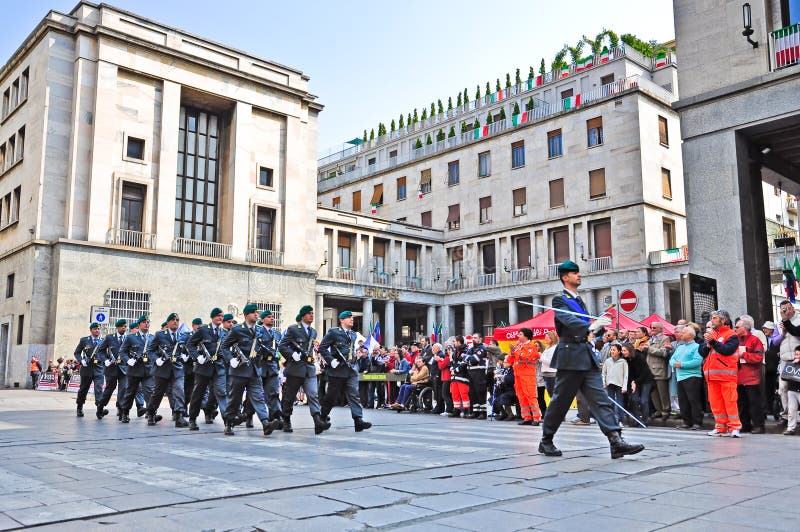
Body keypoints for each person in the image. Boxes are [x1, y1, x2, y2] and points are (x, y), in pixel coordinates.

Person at [539, 260, 644, 459]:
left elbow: (588, 326)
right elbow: (569, 320)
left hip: (585, 355)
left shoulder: (580, 301)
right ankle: (546, 440)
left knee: (601, 400)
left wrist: (600, 325)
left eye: (578, 273)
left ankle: (616, 441)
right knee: (560, 402)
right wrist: (590, 326)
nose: (579, 276)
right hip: (570, 355)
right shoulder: (559, 300)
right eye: (574, 273)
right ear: (565, 277)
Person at [219, 304, 282, 437]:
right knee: (234, 400)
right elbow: (224, 347)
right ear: (246, 315)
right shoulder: (237, 330)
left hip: (254, 370)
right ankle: (229, 424)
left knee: (258, 397)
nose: (256, 314)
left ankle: (265, 423)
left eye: (256, 312)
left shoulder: (259, 330)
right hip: (239, 371)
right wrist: (231, 360)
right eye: (253, 313)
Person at [278, 305, 330, 434]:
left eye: (312, 313)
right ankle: (286, 420)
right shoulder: (293, 329)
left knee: (313, 395)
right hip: (295, 369)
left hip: (309, 368)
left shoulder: (313, 331)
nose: (312, 315)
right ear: (302, 316)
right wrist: (292, 354)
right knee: (289, 397)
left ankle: (317, 421)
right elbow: (282, 345)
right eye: (309, 313)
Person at [319, 311, 372, 432]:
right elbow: (322, 347)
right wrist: (331, 360)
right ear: (341, 320)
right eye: (348, 318)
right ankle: (322, 416)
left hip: (351, 368)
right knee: (332, 396)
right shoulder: (334, 332)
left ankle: (358, 420)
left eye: (352, 318)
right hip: (337, 369)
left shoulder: (353, 335)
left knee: (354, 394)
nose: (351, 319)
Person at [185, 308, 229, 430]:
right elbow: (190, 344)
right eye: (218, 316)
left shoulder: (222, 332)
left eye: (222, 316)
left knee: (221, 392)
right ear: (213, 317)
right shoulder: (203, 330)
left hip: (218, 367)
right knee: (198, 394)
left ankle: (227, 422)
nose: (221, 318)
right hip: (203, 367)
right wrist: (197, 357)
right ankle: (192, 419)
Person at [700, 310, 741, 437]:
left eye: (715, 318)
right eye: (712, 318)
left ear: (723, 320)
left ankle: (734, 427)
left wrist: (712, 342)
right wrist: (707, 345)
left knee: (730, 403)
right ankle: (720, 426)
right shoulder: (711, 334)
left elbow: (727, 350)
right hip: (711, 376)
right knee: (716, 404)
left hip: (727, 376)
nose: (712, 320)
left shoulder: (731, 335)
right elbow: (701, 352)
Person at [146, 313, 189, 428]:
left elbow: (188, 348)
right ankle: (151, 413)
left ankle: (179, 416)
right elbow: (150, 351)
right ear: (168, 322)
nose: (175, 321)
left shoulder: (183, 335)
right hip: (162, 369)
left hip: (177, 369)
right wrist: (156, 359)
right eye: (173, 320)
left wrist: (186, 356)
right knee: (158, 393)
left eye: (177, 320)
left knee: (179, 391)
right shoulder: (160, 335)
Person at [119, 316, 156, 423]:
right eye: (144, 322)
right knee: (130, 393)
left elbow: (154, 352)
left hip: (148, 370)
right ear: (139, 325)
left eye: (148, 322)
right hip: (134, 370)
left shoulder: (152, 338)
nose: (146, 324)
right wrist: (128, 360)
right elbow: (122, 351)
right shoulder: (131, 337)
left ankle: (151, 414)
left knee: (150, 392)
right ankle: (125, 413)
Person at [669, 326, 705, 429]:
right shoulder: (680, 347)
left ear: (690, 335)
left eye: (683, 332)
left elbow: (697, 361)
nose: (681, 334)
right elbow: (672, 359)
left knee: (693, 400)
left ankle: (697, 422)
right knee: (683, 401)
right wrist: (674, 363)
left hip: (692, 376)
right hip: (680, 377)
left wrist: (681, 364)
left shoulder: (697, 347)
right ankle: (687, 421)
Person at [734, 319, 765, 434]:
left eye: (737, 327)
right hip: (739, 377)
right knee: (742, 403)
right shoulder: (735, 340)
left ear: (745, 328)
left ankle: (758, 426)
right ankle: (745, 425)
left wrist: (744, 355)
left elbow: (758, 358)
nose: (735, 329)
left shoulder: (755, 340)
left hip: (751, 378)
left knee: (754, 403)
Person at [95, 319, 129, 420]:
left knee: (123, 388)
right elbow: (100, 351)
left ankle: (121, 410)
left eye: (125, 326)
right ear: (117, 327)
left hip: (124, 368)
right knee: (109, 389)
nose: (124, 328)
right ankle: (100, 407)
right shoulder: (110, 338)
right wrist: (105, 360)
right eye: (122, 326)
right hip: (111, 368)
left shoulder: (128, 338)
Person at [507, 327, 541, 426]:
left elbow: (526, 357)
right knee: (521, 397)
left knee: (531, 396)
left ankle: (536, 418)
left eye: (520, 334)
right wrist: (512, 351)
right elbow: (510, 360)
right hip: (518, 375)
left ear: (526, 336)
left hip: (527, 376)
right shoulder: (518, 346)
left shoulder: (532, 346)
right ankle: (527, 418)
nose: (518, 336)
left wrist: (515, 351)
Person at [73, 322, 107, 418]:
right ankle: (79, 407)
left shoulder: (103, 341)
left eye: (98, 329)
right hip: (87, 368)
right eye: (95, 329)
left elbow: (106, 354)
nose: (97, 330)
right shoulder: (84, 340)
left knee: (99, 389)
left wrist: (106, 361)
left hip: (99, 368)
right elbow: (77, 353)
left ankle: (99, 410)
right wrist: (81, 360)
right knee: (83, 389)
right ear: (91, 330)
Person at [779, 300, 800, 428]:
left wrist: (786, 321)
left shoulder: (797, 319)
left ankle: (796, 416)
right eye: (783, 309)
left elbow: (796, 331)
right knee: (783, 388)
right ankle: (787, 416)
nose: (786, 311)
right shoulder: (780, 322)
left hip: (797, 358)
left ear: (792, 308)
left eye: (787, 308)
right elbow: (775, 341)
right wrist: (781, 333)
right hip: (785, 359)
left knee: (797, 390)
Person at [646, 322, 673, 422]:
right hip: (650, 369)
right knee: (653, 392)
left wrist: (648, 349)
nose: (652, 329)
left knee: (663, 392)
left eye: (654, 328)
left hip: (660, 369)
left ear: (660, 329)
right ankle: (658, 410)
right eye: (651, 327)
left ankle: (666, 410)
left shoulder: (665, 338)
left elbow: (663, 352)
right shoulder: (650, 339)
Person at [601, 343, 628, 427]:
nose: (612, 351)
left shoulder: (623, 362)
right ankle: (612, 420)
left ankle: (620, 420)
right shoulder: (608, 361)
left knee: (619, 403)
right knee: (610, 403)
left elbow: (626, 375)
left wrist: (624, 386)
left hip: (619, 385)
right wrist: (604, 382)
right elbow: (603, 373)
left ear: (619, 351)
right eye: (611, 350)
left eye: (614, 350)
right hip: (610, 384)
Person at [466, 332, 489, 419]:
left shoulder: (482, 348)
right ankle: (475, 412)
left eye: (475, 338)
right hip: (471, 372)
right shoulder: (471, 349)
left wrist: (468, 358)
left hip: (479, 373)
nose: (473, 339)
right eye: (473, 338)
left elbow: (473, 360)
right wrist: (468, 358)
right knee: (473, 393)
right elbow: (464, 358)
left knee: (480, 392)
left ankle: (483, 412)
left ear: (480, 339)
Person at [449, 336, 471, 418]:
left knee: (464, 393)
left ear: (458, 342)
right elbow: (452, 363)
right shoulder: (455, 352)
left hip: (462, 376)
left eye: (454, 341)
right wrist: (452, 369)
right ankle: (456, 410)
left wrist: (455, 370)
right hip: (454, 376)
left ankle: (466, 410)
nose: (453, 343)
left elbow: (464, 363)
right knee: (455, 394)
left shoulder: (466, 351)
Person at [781, 346, 800, 435]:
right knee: (791, 410)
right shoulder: (790, 363)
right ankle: (791, 428)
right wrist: (793, 364)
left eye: (799, 355)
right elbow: (784, 376)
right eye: (796, 354)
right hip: (792, 390)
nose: (797, 356)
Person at [493, 355, 517, 420]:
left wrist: (501, 377)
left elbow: (511, 379)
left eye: (505, 362)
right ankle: (504, 414)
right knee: (496, 399)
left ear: (510, 363)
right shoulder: (504, 370)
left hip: (513, 390)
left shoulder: (513, 370)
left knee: (504, 397)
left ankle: (510, 415)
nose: (503, 363)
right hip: (506, 390)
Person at [433, 343, 452, 415]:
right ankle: (449, 409)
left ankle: (449, 409)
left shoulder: (448, 358)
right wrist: (440, 360)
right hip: (445, 377)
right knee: (446, 394)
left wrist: (439, 360)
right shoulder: (447, 358)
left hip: (447, 377)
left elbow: (441, 366)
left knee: (445, 394)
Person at [540, 330, 558, 399]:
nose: (545, 339)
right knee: (551, 394)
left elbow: (550, 362)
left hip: (551, 374)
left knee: (553, 394)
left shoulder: (554, 348)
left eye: (547, 337)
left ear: (552, 338)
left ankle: (557, 409)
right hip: (547, 374)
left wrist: (540, 356)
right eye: (545, 337)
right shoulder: (548, 348)